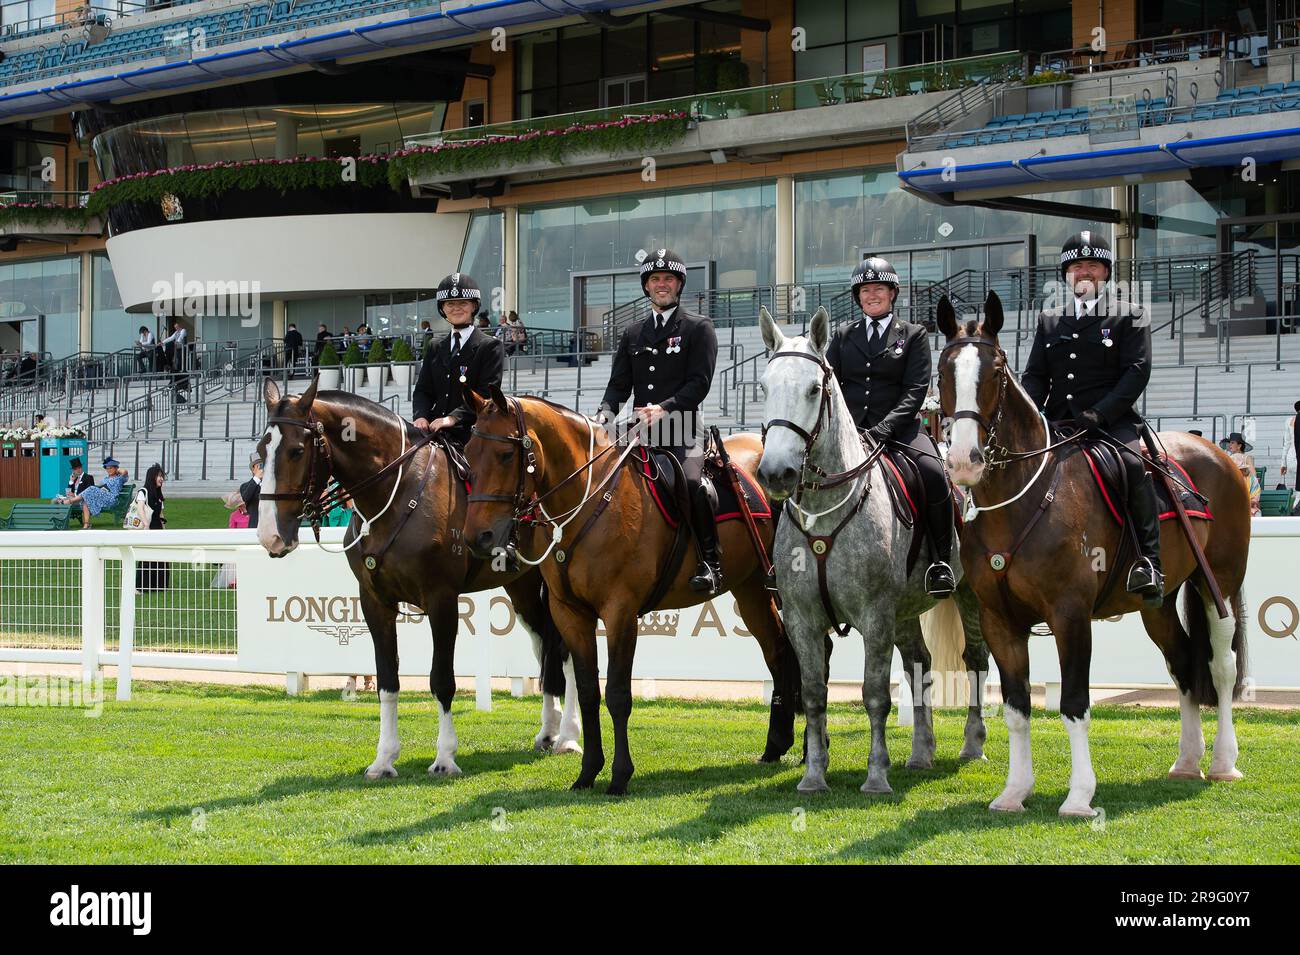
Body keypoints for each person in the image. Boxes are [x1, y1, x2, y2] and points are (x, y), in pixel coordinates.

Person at [1023, 231, 1164, 605]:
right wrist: (1032, 413)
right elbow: (1035, 375)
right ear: (1067, 274)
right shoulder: (1050, 319)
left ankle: (1148, 560)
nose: (1084, 272)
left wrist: (1099, 414)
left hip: (1110, 421)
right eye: (1076, 266)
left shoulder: (1129, 315)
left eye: (1092, 266)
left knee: (1134, 466)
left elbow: (1137, 371)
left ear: (1105, 272)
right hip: (1057, 423)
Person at [827, 256, 955, 598]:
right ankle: (784, 563)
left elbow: (915, 391)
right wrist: (845, 430)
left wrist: (882, 430)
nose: (872, 295)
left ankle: (941, 561)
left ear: (892, 293)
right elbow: (830, 386)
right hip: (850, 433)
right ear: (858, 296)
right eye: (866, 290)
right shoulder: (842, 336)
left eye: (879, 289)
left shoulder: (913, 334)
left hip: (900, 432)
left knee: (933, 474)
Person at [597, 248, 722, 594]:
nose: (662, 284)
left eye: (668, 279)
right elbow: (619, 384)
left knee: (695, 486)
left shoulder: (699, 327)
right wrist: (603, 415)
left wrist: (664, 408)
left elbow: (699, 383)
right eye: (655, 279)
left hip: (682, 427)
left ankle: (710, 562)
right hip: (638, 429)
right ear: (646, 286)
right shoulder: (632, 333)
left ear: (679, 284)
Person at [412, 272, 504, 448]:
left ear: (474, 306)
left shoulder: (490, 346)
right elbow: (423, 389)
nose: (456, 308)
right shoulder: (435, 346)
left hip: (472, 434)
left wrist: (452, 418)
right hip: (434, 431)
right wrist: (420, 416)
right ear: (443, 309)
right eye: (450, 304)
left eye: (463, 303)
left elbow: (486, 395)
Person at [64, 457, 129, 529]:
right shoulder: (105, 479)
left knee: (92, 488)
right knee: (85, 501)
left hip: (112, 499)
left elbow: (125, 471)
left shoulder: (119, 478)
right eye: (107, 468)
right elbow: (100, 489)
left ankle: (71, 500)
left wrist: (116, 469)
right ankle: (86, 525)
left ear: (115, 468)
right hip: (102, 498)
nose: (109, 470)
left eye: (111, 468)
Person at [135, 464, 170, 592]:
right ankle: (142, 587)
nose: (161, 479)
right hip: (147, 528)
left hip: (157, 528)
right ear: (152, 477)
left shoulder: (159, 496)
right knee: (146, 556)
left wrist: (164, 530)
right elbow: (140, 508)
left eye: (162, 476)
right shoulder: (143, 491)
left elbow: (161, 514)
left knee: (161, 556)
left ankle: (160, 586)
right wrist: (146, 525)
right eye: (159, 476)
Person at [241, 455, 263, 529]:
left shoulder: (273, 485)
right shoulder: (245, 486)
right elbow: (246, 497)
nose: (262, 469)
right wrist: (257, 478)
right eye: (259, 466)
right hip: (255, 525)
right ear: (253, 469)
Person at [1282, 401, 1298, 493]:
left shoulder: (1289, 421)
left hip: (1291, 456)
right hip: (1293, 456)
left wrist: (1283, 464)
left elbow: (1286, 443)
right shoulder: (1290, 421)